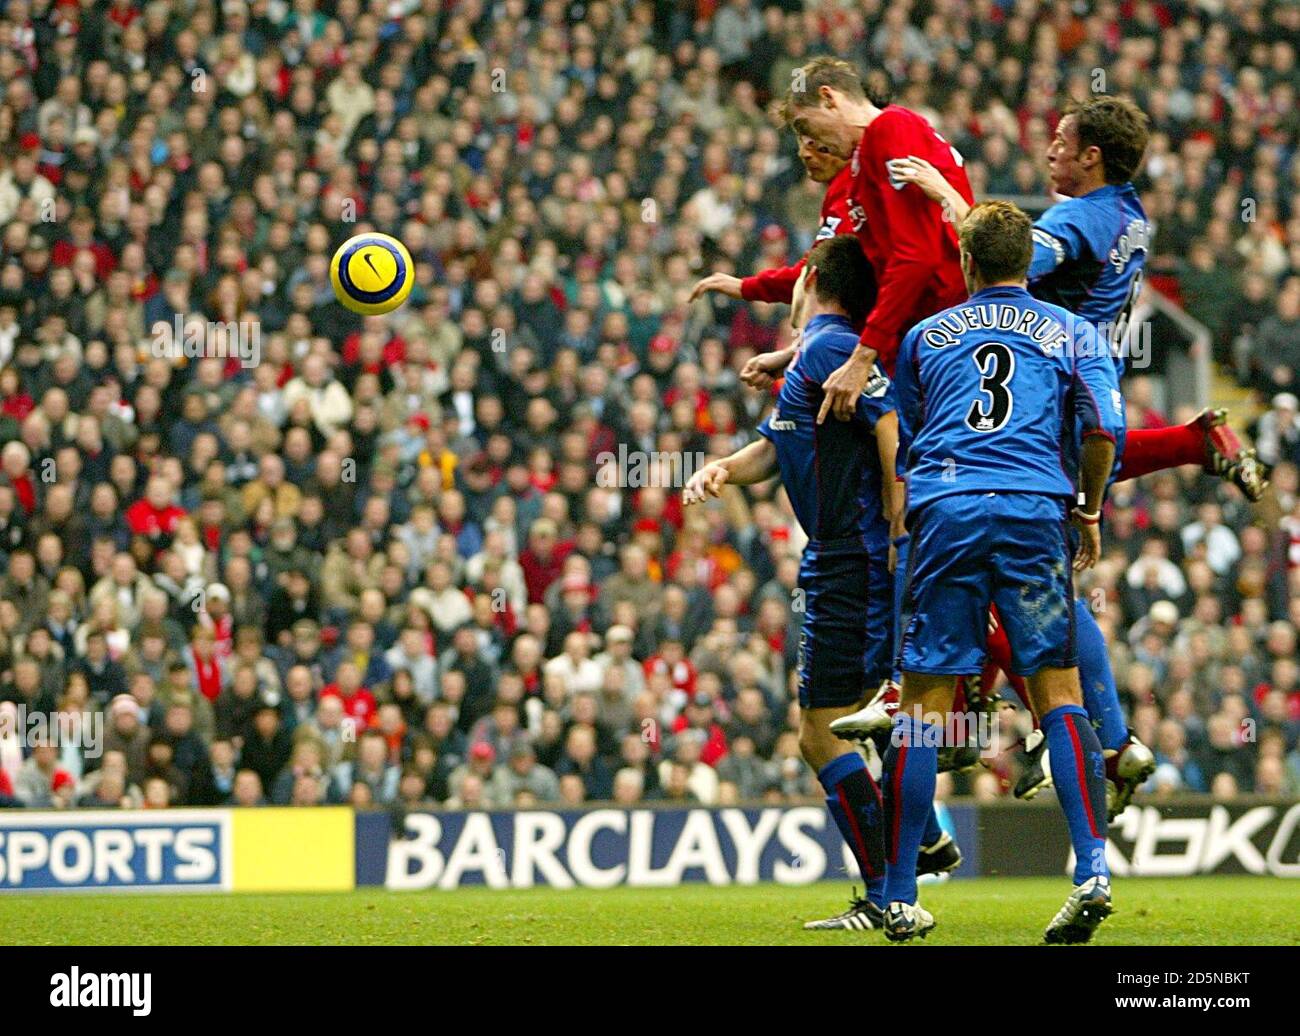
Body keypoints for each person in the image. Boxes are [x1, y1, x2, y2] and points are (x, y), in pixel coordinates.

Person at [684, 235, 959, 933]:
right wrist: (721, 468)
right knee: (854, 722)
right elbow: (776, 447)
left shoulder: (833, 347)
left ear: (809, 281)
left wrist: (900, 528)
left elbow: (889, 419)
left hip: (855, 558)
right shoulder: (816, 355)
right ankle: (912, 850)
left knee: (824, 731)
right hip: (836, 558)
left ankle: (892, 888)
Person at [880, 201, 1124, 943]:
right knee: (1059, 693)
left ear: (966, 263)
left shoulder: (925, 336)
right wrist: (1087, 506)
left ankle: (896, 893)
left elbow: (909, 434)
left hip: (949, 511)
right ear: (1030, 263)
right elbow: (1104, 429)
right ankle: (1091, 869)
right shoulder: (1073, 331)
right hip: (1032, 511)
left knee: (922, 705)